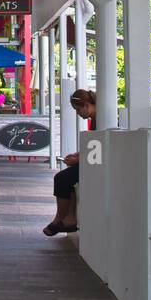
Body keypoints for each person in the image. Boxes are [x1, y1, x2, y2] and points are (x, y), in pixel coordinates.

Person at [43, 88, 98, 236]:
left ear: (86, 105)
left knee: (62, 178)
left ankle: (61, 218)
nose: (77, 113)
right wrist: (77, 155)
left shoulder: (99, 120)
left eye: (78, 109)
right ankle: (68, 217)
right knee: (66, 179)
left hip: (97, 165)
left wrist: (78, 159)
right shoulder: (96, 119)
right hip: (94, 162)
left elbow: (99, 149)